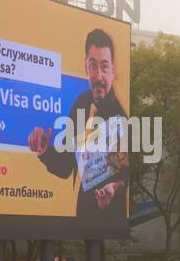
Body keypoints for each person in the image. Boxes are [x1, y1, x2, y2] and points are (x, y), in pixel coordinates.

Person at [27, 28, 127, 225]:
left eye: (104, 67)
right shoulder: (81, 103)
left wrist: (114, 186)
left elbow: (126, 173)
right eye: (93, 65)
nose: (98, 76)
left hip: (110, 219)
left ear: (113, 71)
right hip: (81, 217)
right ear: (85, 67)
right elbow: (65, 167)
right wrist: (45, 151)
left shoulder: (120, 118)